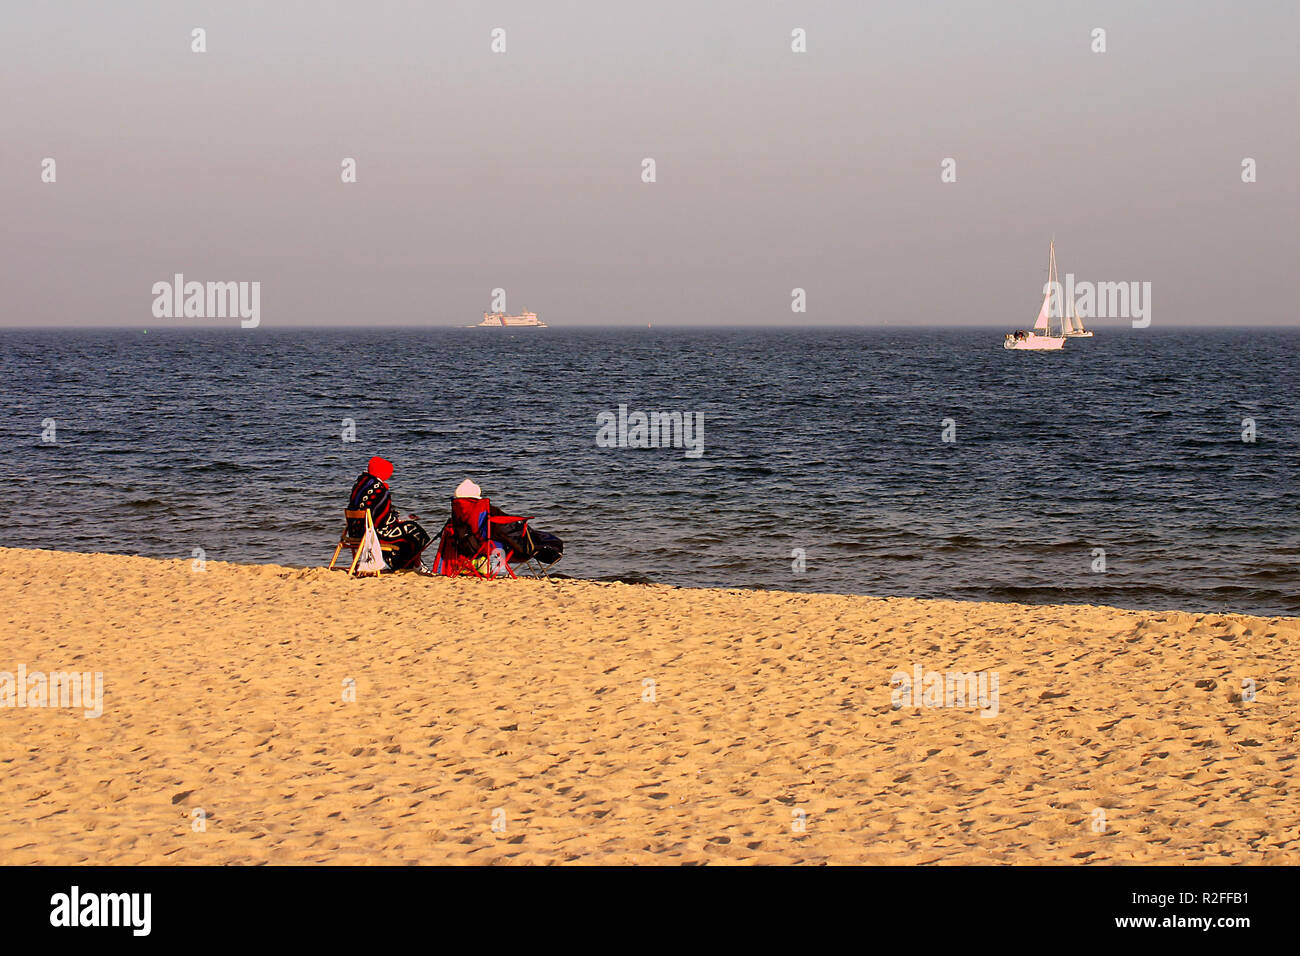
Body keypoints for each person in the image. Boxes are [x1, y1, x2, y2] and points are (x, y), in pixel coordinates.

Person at [347, 456, 431, 571]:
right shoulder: (380, 490)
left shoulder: (360, 484)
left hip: (355, 531)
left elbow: (374, 512)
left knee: (406, 530)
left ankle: (408, 564)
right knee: (414, 530)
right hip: (372, 533)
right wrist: (398, 519)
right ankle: (417, 565)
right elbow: (381, 519)